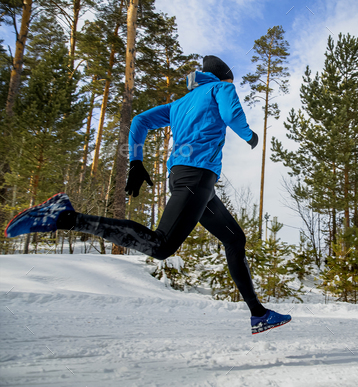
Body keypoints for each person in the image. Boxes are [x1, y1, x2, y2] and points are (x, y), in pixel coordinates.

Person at [4, 55, 291, 335]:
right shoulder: (222, 87)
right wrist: (249, 135)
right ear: (225, 78)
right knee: (161, 246)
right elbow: (231, 115)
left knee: (234, 238)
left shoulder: (179, 104)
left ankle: (258, 314)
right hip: (197, 177)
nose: (232, 87)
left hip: (189, 180)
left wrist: (136, 161)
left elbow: (140, 120)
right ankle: (66, 217)